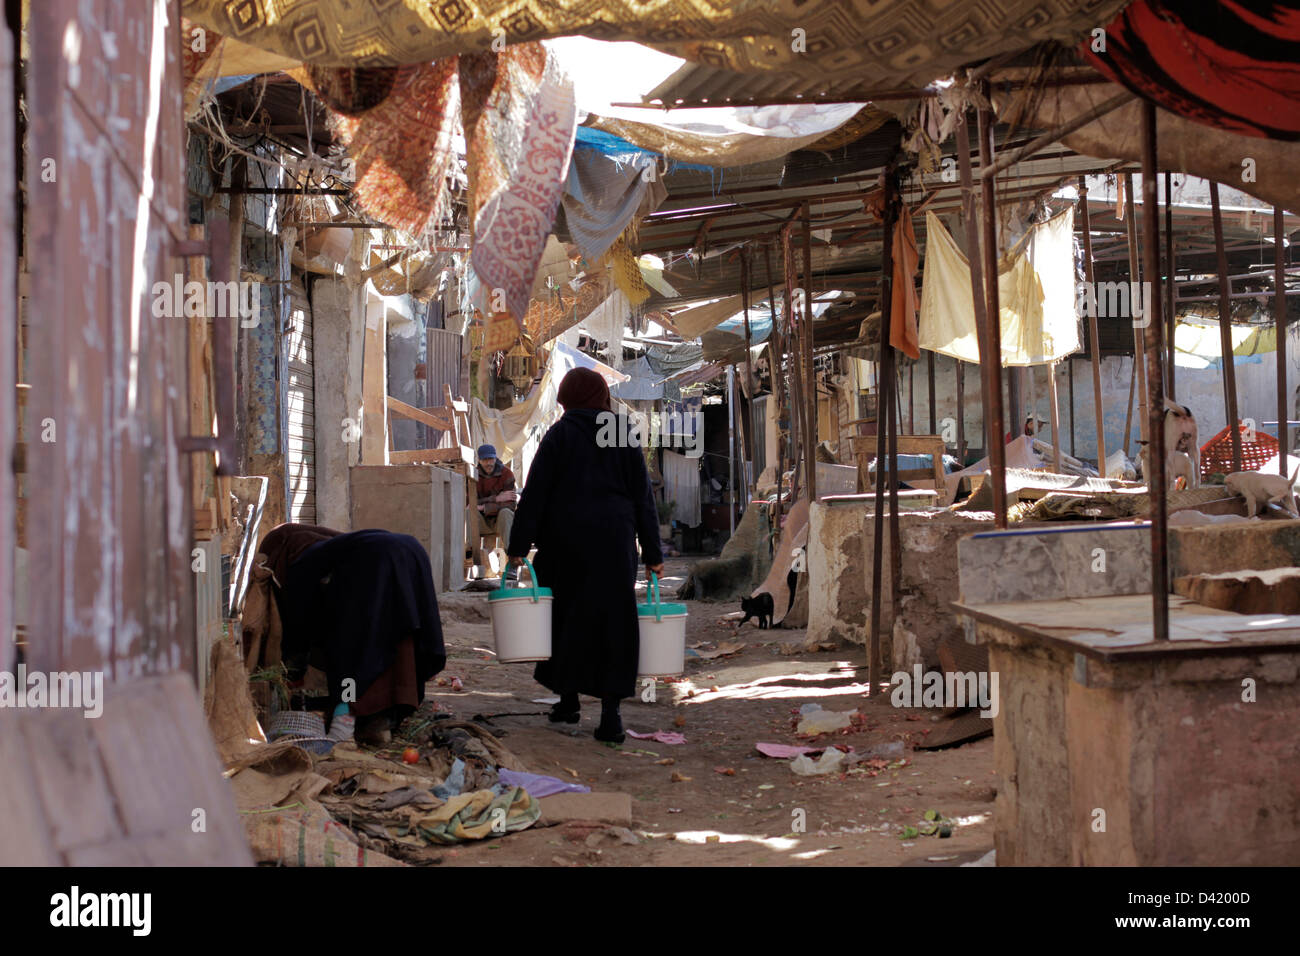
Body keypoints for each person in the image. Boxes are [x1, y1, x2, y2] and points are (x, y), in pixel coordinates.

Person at [506, 367, 664, 743]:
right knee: (613, 624)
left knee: (565, 620)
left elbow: (535, 496)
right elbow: (643, 497)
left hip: (565, 545)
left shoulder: (559, 435)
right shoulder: (621, 434)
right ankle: (611, 717)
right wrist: (653, 554)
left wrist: (517, 548)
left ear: (567, 399)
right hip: (613, 543)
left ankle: (568, 703)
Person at [257, 523, 446, 746]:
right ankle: (384, 717)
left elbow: (299, 622)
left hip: (379, 563)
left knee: (349, 654)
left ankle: (343, 721)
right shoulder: (341, 544)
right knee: (397, 636)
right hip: (412, 551)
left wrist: (294, 667)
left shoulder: (300, 562)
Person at [471, 443, 519, 579]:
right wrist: (497, 498)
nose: (489, 463)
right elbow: (470, 504)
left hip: (501, 522)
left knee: (506, 513)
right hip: (483, 522)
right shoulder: (473, 475)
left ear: (495, 458)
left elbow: (510, 504)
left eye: (491, 459)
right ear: (479, 460)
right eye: (485, 460)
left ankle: (513, 561)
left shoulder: (507, 474)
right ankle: (470, 556)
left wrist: (484, 506)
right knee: (469, 513)